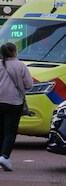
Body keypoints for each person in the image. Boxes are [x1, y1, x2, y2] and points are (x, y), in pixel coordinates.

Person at [0, 42, 34, 171]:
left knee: (1, 130)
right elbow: (29, 85)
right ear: (14, 51)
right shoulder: (20, 65)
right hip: (14, 102)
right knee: (10, 132)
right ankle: (4, 156)